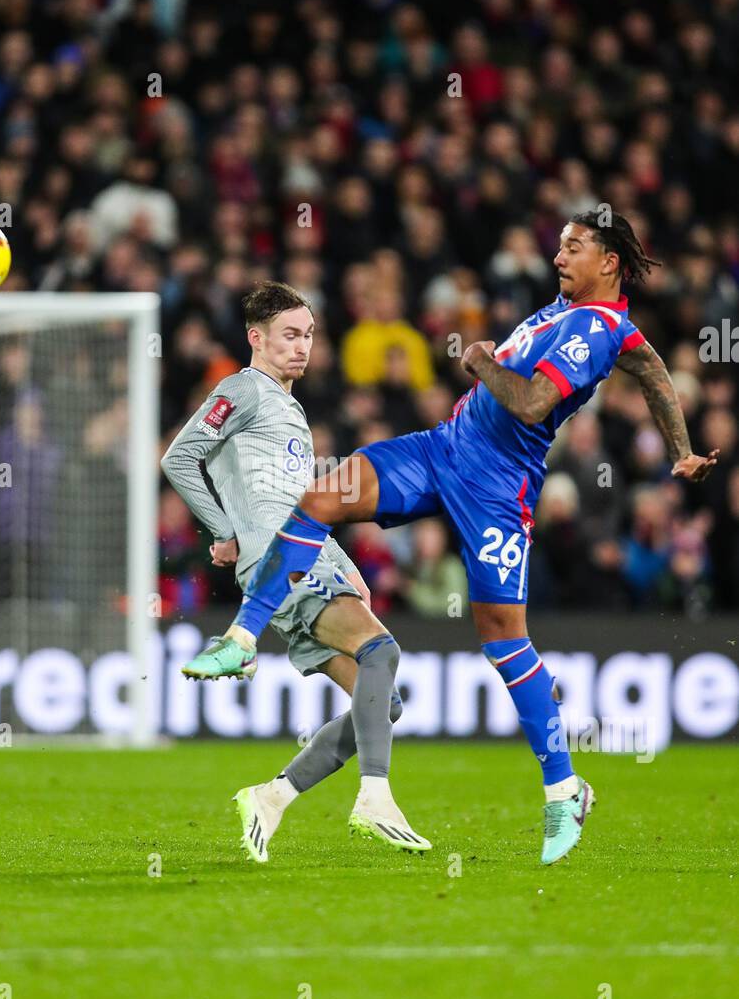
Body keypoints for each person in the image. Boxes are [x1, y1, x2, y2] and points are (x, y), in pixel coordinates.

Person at [183, 214, 720, 865]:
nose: (557, 256)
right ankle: (241, 639)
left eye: (572, 247)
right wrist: (683, 449)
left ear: (609, 262)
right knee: (320, 497)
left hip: (497, 490)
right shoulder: (580, 313)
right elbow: (655, 370)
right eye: (556, 245)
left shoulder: (594, 329)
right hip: (440, 451)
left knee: (503, 638)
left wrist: (480, 362)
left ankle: (563, 788)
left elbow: (529, 404)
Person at [161, 281, 430, 862]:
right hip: (281, 567)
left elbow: (301, 505)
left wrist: (345, 563)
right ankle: (375, 800)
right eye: (290, 335)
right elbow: (179, 457)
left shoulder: (289, 406)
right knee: (380, 654)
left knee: (381, 702)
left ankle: (271, 797)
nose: (303, 346)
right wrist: (224, 530)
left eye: (308, 335)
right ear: (256, 339)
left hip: (312, 559)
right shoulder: (243, 389)